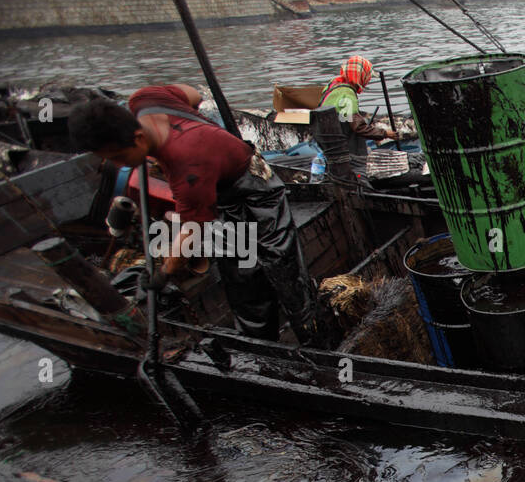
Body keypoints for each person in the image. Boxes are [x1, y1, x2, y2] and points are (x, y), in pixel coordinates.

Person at [68, 85, 335, 348]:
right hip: (218, 197)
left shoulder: (187, 166)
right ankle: (261, 347)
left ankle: (318, 345)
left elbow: (194, 231)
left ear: (138, 138)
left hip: (255, 190)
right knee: (243, 280)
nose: (119, 165)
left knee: (285, 273)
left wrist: (163, 274)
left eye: (119, 157)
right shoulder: (145, 99)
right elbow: (193, 94)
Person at [318, 55, 396, 143]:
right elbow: (358, 127)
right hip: (336, 141)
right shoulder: (347, 94)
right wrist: (385, 134)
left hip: (324, 134)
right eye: (367, 77)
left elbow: (344, 117)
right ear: (361, 76)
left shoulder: (334, 83)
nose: (368, 80)